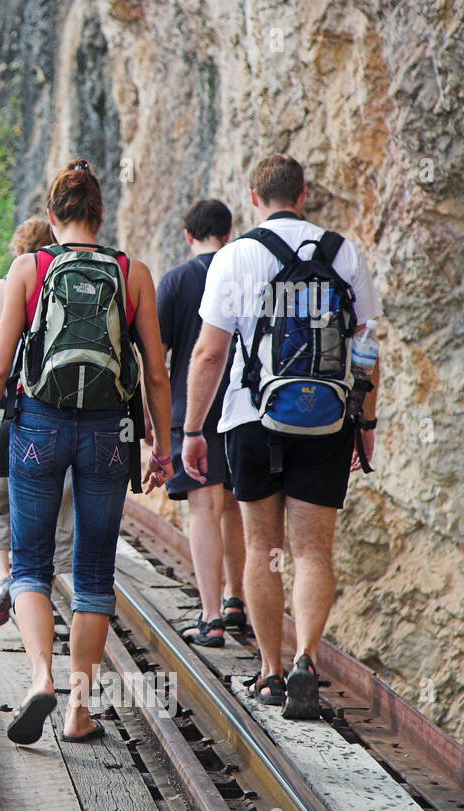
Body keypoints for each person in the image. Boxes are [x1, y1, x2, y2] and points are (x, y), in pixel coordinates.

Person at [0, 159, 173, 745]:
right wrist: (160, 445)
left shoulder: (28, 269)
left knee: (30, 565)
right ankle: (79, 708)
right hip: (110, 435)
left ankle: (40, 677)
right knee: (93, 573)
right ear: (101, 214)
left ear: (51, 215)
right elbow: (155, 375)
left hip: (37, 427)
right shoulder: (132, 273)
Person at [183, 154, 382, 720]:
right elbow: (366, 351)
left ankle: (270, 674)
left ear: (253, 197)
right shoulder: (344, 254)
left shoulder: (235, 256)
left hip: (251, 419)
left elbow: (208, 352)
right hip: (326, 418)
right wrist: (365, 427)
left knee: (266, 549)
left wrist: (193, 429)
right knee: (314, 550)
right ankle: (307, 659)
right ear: (304, 193)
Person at [0, 216, 75, 628]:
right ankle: (38, 588)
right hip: (58, 416)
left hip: (3, 414)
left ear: (16, 250)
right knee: (49, 512)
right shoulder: (70, 287)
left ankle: (4, 580)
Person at [157, 199, 247, 647]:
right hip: (244, 406)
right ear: (230, 233)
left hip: (192, 409)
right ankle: (236, 599)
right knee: (236, 504)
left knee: (204, 509)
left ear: (188, 236)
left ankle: (210, 616)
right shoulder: (246, 274)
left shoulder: (177, 280)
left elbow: (155, 355)